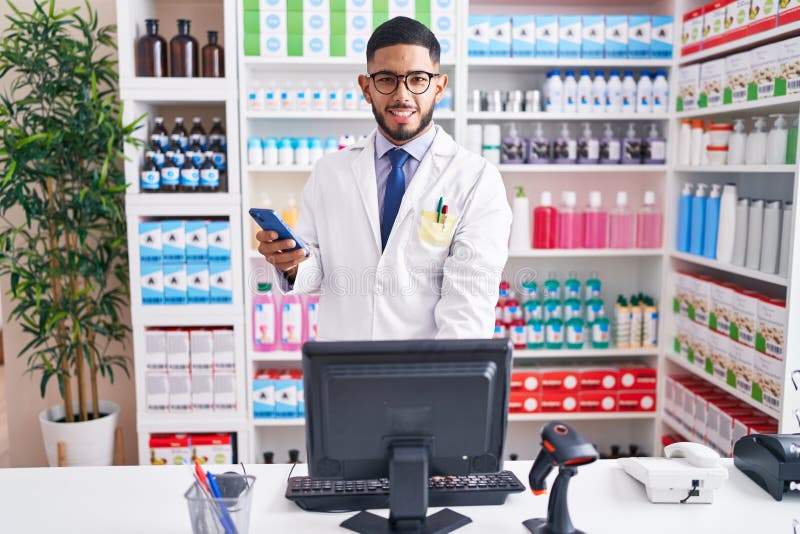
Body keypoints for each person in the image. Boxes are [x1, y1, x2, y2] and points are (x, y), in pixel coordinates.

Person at [256, 16, 511, 341]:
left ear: (439, 87)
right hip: (344, 371)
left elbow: (469, 305)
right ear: (366, 87)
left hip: (428, 379)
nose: (402, 95)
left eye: (418, 79)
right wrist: (291, 263)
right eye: (387, 79)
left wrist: (447, 383)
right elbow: (315, 271)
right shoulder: (329, 172)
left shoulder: (475, 179)